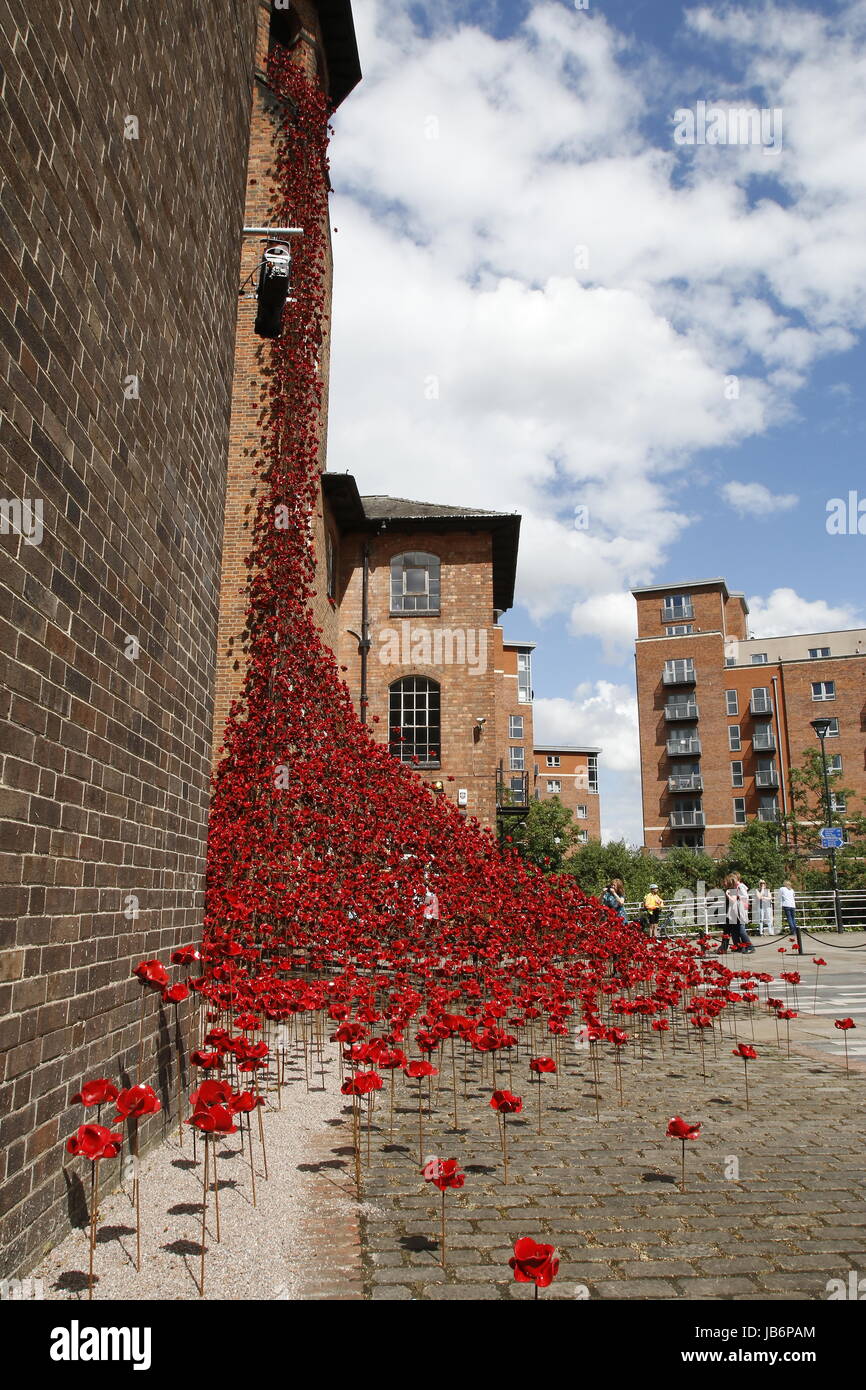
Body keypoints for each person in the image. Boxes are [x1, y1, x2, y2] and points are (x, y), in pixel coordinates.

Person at [723, 872, 753, 953]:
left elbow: (743, 898)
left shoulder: (740, 887)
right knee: (735, 930)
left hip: (740, 911)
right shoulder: (737, 887)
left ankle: (750, 946)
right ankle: (739, 946)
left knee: (741, 930)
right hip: (737, 910)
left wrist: (728, 895)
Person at [779, 880, 800, 949]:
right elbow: (793, 896)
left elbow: (779, 895)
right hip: (792, 905)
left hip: (786, 904)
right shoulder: (792, 890)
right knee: (793, 918)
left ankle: (792, 930)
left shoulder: (782, 889)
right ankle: (795, 930)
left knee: (789, 918)